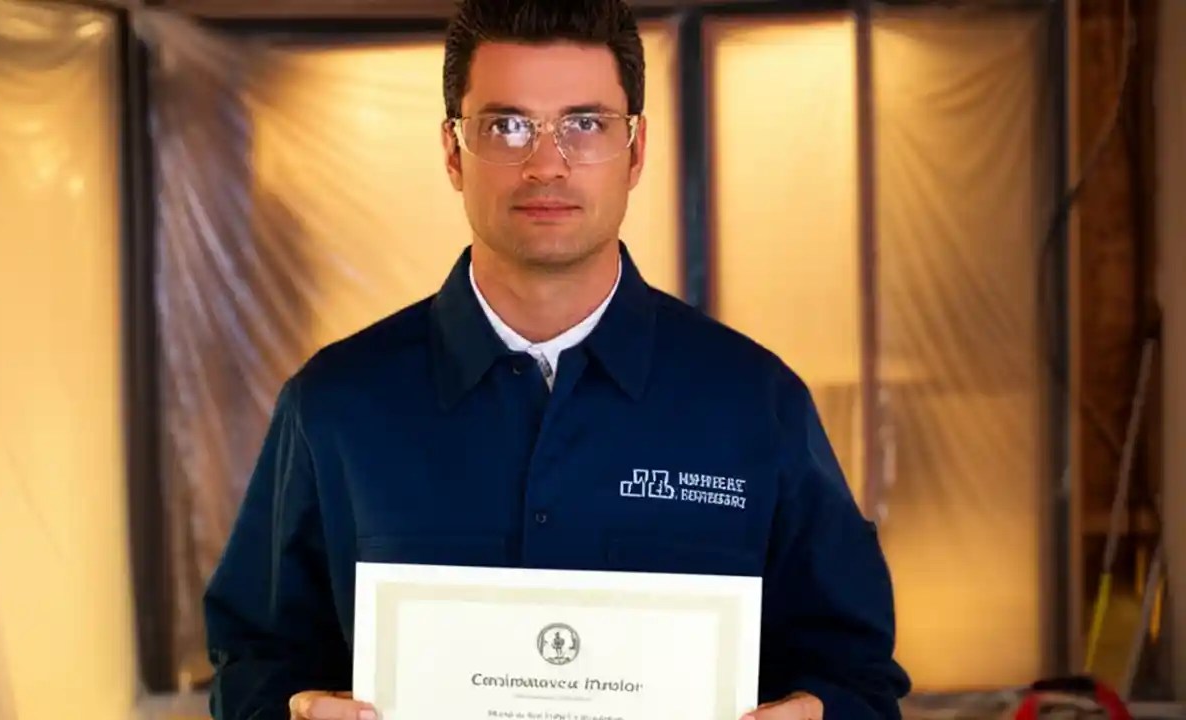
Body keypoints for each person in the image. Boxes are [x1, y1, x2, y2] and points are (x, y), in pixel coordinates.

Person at [203, 0, 912, 718]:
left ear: (635, 152)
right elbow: (252, 662)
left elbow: (858, 677)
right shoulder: (335, 407)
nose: (547, 163)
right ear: (453, 152)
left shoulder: (756, 403)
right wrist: (292, 709)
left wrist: (820, 711)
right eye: (506, 126)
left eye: (585, 124)